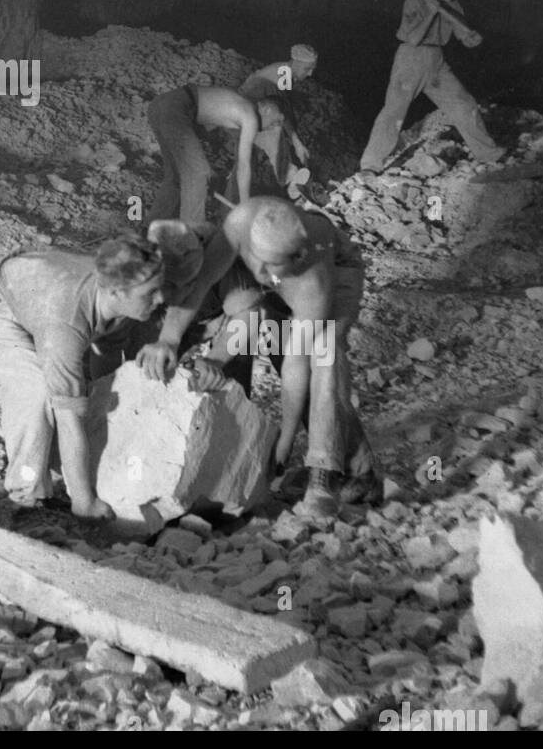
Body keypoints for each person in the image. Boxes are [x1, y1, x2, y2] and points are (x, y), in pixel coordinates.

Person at [137, 196, 380, 521]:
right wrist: (168, 339)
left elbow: (296, 364)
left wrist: (286, 440)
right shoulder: (240, 222)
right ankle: (361, 470)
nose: (262, 272)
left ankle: (324, 475)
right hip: (282, 277)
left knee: (323, 356)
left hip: (336, 272)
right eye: (258, 260)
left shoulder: (313, 282)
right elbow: (203, 281)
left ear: (298, 256)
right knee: (263, 329)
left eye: (270, 265)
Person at [0, 225, 204, 520]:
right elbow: (70, 418)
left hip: (36, 285)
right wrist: (84, 501)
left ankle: (62, 464)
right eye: (150, 293)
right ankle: (27, 494)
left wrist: (107, 413)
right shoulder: (65, 327)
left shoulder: (119, 299)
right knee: (36, 391)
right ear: (115, 292)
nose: (161, 299)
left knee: (74, 388)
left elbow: (107, 355)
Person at [360, 0, 502, 173]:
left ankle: (488, 153)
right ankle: (370, 165)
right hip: (411, 58)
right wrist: (431, 12)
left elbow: (464, 38)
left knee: (465, 104)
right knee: (394, 111)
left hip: (437, 60)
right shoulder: (414, 2)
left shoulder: (454, 6)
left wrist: (472, 39)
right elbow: (413, 39)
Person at [147, 84, 284, 226]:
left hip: (160, 106)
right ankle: (192, 232)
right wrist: (245, 206)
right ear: (267, 110)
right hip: (177, 108)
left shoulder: (238, 105)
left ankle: (150, 227)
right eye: (277, 120)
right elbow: (244, 165)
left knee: (176, 177)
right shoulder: (250, 117)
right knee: (198, 172)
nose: (275, 126)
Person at [239, 44, 317, 198]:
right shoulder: (283, 74)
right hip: (245, 113)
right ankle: (292, 178)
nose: (310, 73)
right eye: (307, 69)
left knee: (276, 132)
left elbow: (284, 110)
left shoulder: (285, 72)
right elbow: (282, 113)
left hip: (257, 111)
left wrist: (297, 143)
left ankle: (291, 178)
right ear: (296, 63)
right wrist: (297, 143)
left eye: (312, 68)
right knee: (274, 134)